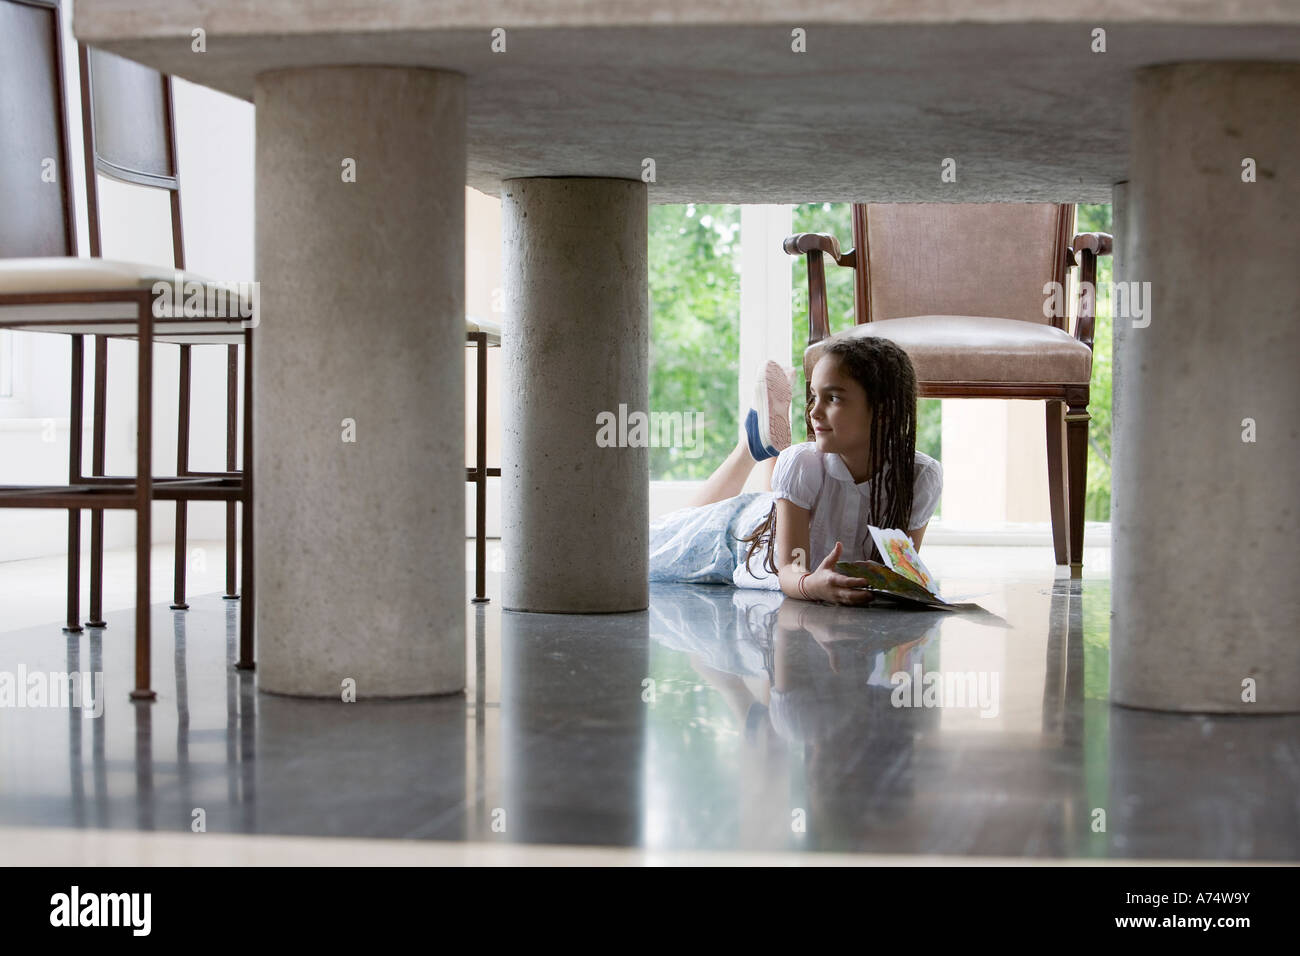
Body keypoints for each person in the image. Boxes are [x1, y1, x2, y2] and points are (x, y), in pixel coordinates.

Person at [648, 337, 943, 606]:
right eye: (814, 396)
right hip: (739, 538)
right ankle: (753, 447)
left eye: (834, 398)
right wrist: (810, 584)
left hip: (779, 510)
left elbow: (902, 573)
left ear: (884, 411)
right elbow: (789, 568)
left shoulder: (920, 477)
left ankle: (759, 447)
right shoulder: (803, 464)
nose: (814, 411)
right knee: (640, 553)